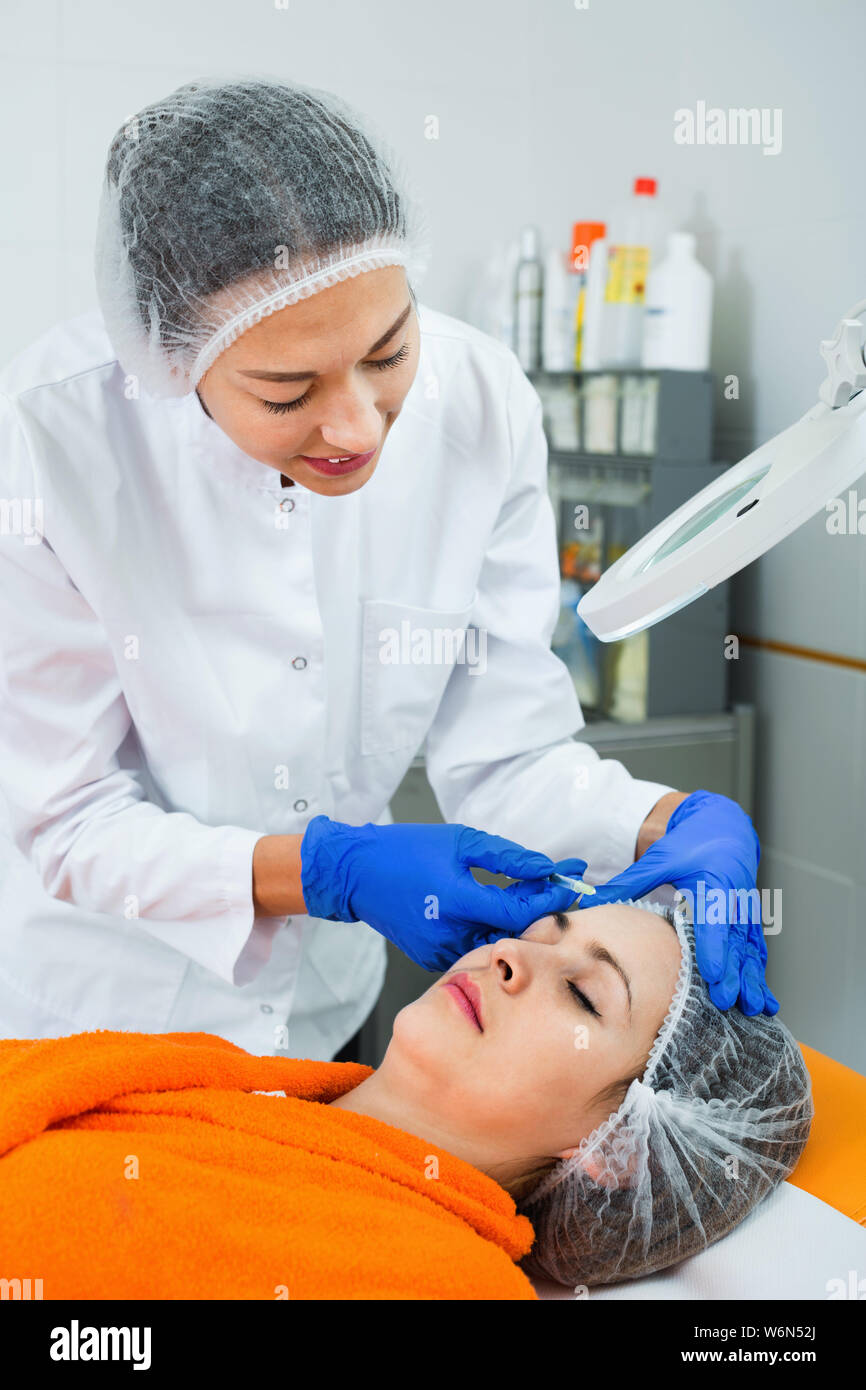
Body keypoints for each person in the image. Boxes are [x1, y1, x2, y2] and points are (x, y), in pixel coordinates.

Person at [0, 76, 771, 1064]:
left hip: (323, 1007)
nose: (357, 426)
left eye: (387, 350)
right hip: (99, 1012)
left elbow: (507, 754)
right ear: (169, 358)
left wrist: (671, 819)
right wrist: (324, 871)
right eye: (286, 391)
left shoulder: (481, 403)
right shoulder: (51, 441)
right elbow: (69, 821)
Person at [0, 895, 810, 1298]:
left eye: (586, 997)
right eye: (545, 930)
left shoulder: (443, 1283)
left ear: (616, 1151)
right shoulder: (215, 1075)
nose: (508, 957)